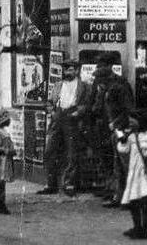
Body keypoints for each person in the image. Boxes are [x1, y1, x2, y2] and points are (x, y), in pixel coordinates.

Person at [38, 60, 90, 196]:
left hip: (72, 119)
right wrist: (52, 112)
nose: (67, 72)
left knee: (71, 152)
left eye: (70, 69)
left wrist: (78, 112)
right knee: (50, 151)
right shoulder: (58, 85)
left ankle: (69, 184)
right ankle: (50, 184)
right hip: (58, 118)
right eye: (66, 70)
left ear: (77, 70)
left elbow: (87, 104)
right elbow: (50, 102)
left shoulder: (84, 86)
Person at [90, 55, 135, 207]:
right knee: (106, 158)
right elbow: (94, 104)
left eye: (102, 66)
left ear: (109, 68)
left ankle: (120, 194)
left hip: (117, 127)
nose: (100, 80)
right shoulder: (100, 83)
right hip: (102, 126)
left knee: (119, 161)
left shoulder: (120, 84)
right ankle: (111, 188)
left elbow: (128, 108)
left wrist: (116, 123)